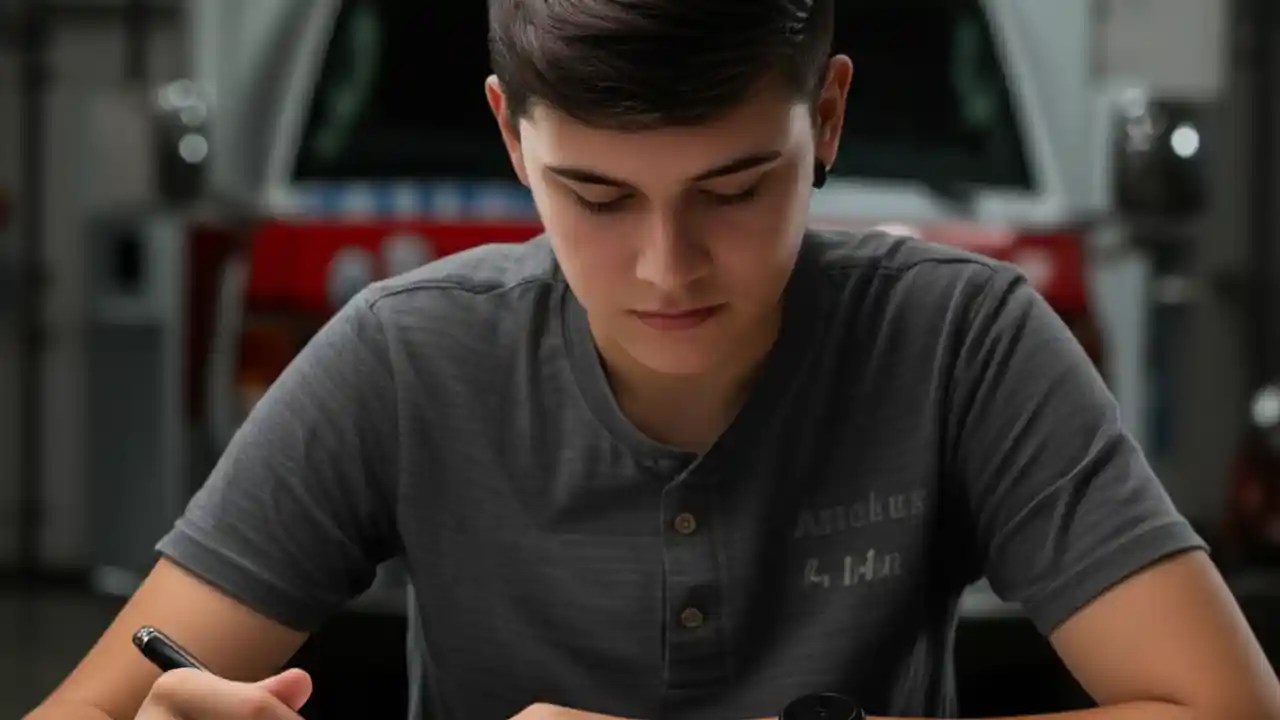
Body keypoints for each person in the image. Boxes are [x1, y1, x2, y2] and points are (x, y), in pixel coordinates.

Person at [26, 0, 1280, 718]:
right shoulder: (405, 358)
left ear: (825, 118)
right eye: (597, 197)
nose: (666, 270)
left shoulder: (958, 340)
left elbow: (1221, 709)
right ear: (510, 138)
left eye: (735, 191)